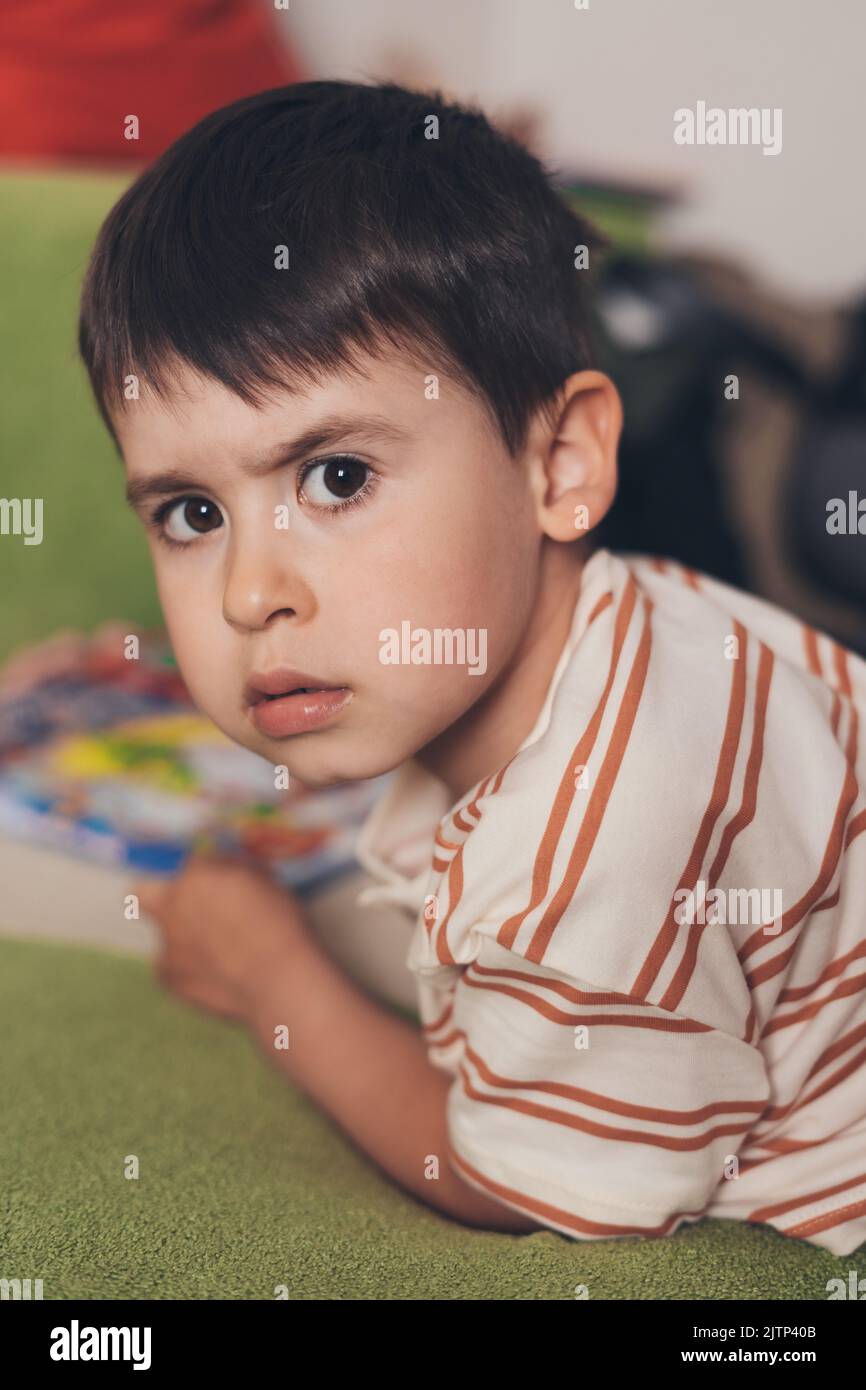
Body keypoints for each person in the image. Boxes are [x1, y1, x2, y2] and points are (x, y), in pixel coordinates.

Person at [77, 81, 866, 1254]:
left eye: (335, 478)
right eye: (192, 513)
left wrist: (269, 973)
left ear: (558, 465)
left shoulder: (596, 844)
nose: (249, 594)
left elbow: (506, 1178)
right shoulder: (633, 633)